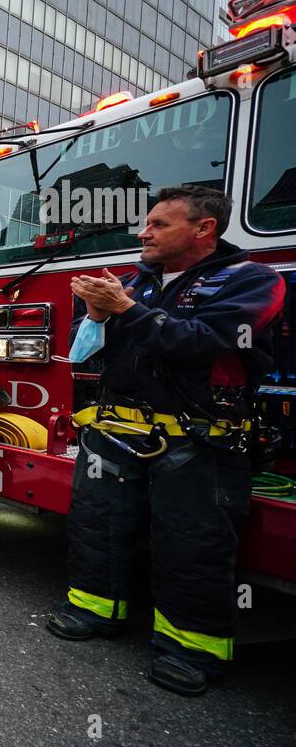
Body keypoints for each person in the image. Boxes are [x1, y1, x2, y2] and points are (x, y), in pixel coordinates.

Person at [46, 185, 286, 696]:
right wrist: (95, 314)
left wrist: (126, 307)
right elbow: (84, 356)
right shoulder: (137, 283)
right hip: (113, 432)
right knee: (97, 525)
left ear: (204, 229)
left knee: (192, 543)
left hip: (198, 441)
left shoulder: (252, 281)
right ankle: (94, 611)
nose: (143, 232)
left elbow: (199, 343)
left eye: (158, 224)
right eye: (146, 223)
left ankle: (190, 649)